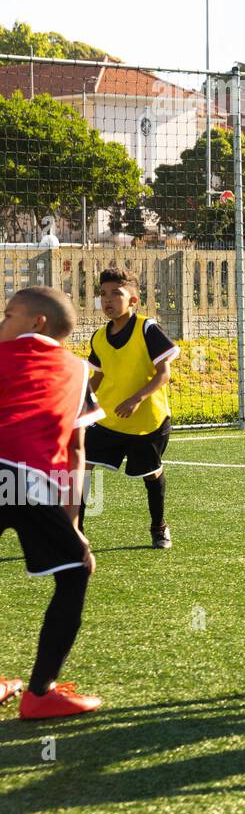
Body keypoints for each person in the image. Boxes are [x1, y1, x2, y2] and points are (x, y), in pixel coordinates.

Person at [0, 287, 105, 719]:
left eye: (7, 316)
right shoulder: (79, 371)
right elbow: (77, 451)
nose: (1, 323)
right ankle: (40, 693)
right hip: (26, 481)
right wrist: (73, 521)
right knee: (75, 571)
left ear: (36, 322)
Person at [83, 267, 179, 549]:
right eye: (103, 294)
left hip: (147, 422)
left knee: (151, 473)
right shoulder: (99, 337)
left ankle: (159, 527)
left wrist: (135, 399)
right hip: (109, 420)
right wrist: (77, 404)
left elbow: (164, 374)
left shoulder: (147, 328)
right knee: (81, 465)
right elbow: (97, 378)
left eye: (116, 293)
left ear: (133, 301)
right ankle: (74, 533)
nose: (108, 300)